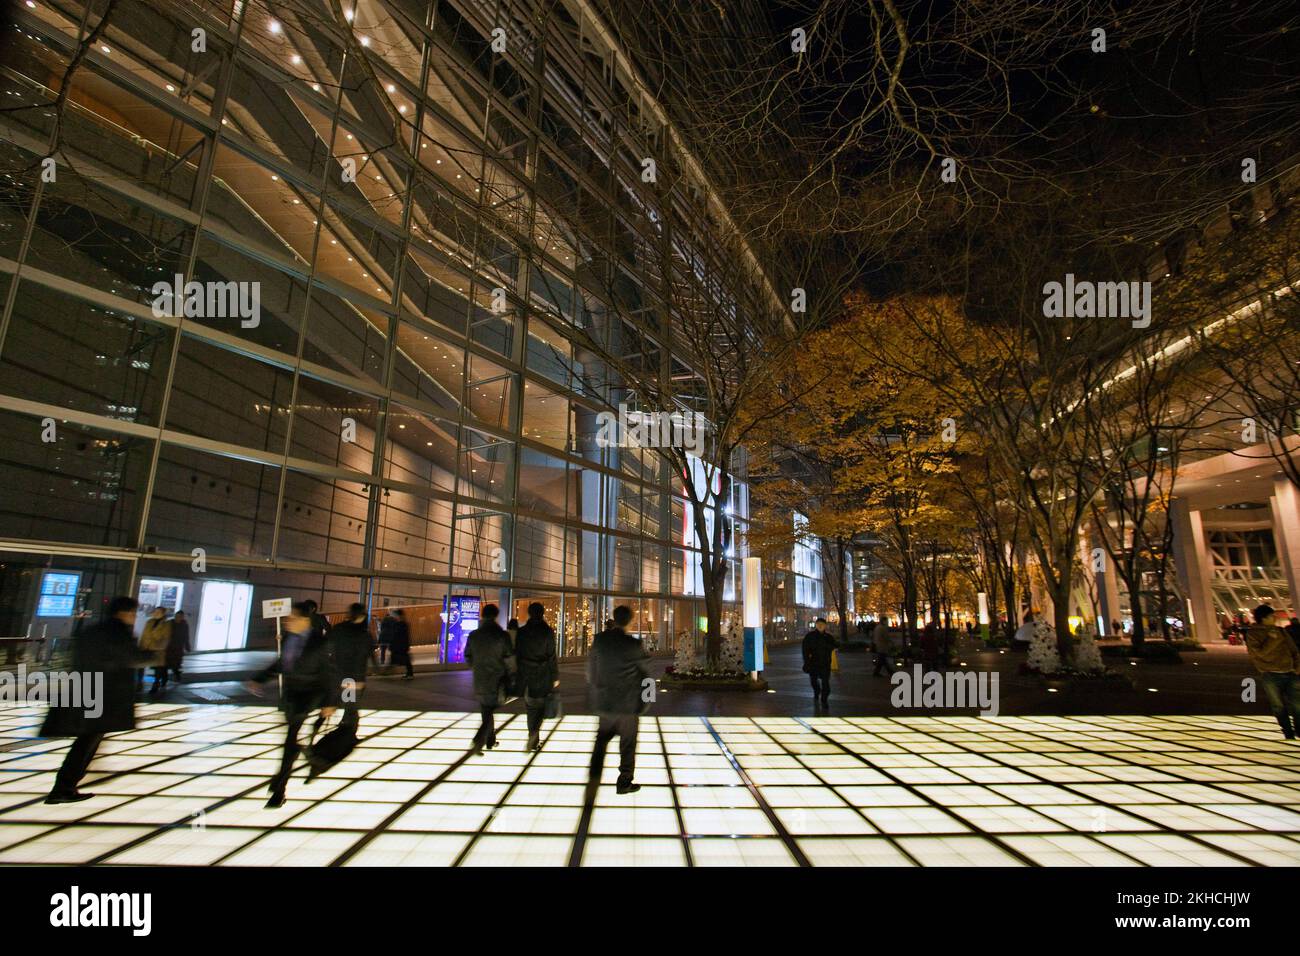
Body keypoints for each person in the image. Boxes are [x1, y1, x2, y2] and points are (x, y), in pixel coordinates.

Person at [42, 596, 153, 804]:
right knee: (86, 742)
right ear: (124, 613)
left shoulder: (92, 630)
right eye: (133, 613)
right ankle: (63, 788)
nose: (134, 617)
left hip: (84, 688)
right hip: (102, 695)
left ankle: (65, 786)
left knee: (86, 740)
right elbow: (129, 657)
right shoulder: (117, 632)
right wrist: (151, 656)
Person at [246, 602, 338, 807]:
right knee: (291, 739)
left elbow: (329, 673)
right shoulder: (289, 638)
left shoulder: (319, 643)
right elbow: (281, 663)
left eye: (293, 617)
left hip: (308, 694)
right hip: (290, 694)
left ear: (305, 620)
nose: (288, 621)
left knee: (290, 739)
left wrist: (330, 702)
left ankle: (280, 789)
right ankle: (311, 761)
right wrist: (259, 679)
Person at [587, 605, 648, 794]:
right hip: (628, 705)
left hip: (605, 701)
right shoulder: (634, 644)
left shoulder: (599, 640)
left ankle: (594, 777)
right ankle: (624, 781)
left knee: (601, 741)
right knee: (628, 745)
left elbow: (591, 672)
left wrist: (597, 688)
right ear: (631, 621)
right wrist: (647, 701)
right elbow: (647, 675)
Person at [1244, 604, 1300, 740]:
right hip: (1270, 675)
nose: (1274, 618)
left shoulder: (1281, 631)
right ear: (1263, 618)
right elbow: (1259, 654)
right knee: (1279, 707)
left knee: (1297, 706)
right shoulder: (1253, 634)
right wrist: (1271, 640)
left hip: (1290, 672)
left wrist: (1297, 668)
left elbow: (1294, 650)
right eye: (1271, 616)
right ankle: (1288, 732)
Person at [465, 603, 513, 755]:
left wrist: (476, 666)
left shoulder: (474, 635)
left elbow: (468, 656)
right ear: (495, 616)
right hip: (497, 678)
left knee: (486, 709)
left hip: (480, 677)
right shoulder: (501, 635)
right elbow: (509, 656)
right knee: (490, 709)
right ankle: (478, 741)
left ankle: (490, 740)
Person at [516, 602, 559, 751]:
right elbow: (552, 656)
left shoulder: (522, 632)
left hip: (526, 675)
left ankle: (532, 736)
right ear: (542, 614)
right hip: (543, 674)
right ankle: (535, 734)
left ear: (529, 613)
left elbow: (518, 654)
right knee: (540, 707)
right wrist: (555, 676)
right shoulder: (547, 632)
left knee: (530, 708)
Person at [325, 602, 371, 736]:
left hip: (339, 676)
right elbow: (365, 655)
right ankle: (347, 737)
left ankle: (346, 733)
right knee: (350, 708)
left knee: (346, 707)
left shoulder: (338, 629)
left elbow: (327, 647)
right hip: (353, 679)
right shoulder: (363, 634)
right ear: (361, 616)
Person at [802, 617, 837, 706]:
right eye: (818, 624)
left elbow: (835, 645)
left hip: (825, 664)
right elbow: (805, 650)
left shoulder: (829, 637)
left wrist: (828, 646)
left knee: (826, 683)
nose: (820, 626)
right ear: (816, 625)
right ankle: (817, 691)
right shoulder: (810, 636)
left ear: (825, 626)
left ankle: (824, 699)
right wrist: (806, 662)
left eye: (822, 624)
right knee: (814, 681)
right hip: (813, 663)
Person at [139, 606, 173, 696]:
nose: (156, 613)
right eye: (155, 611)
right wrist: (141, 646)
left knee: (158, 669)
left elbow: (166, 638)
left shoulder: (166, 624)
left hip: (158, 649)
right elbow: (144, 635)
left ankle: (156, 685)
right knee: (141, 666)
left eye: (158, 612)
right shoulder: (149, 622)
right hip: (146, 647)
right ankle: (139, 683)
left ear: (163, 613)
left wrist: (159, 646)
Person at [386, 608, 413, 679]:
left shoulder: (401, 624)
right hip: (400, 646)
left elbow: (397, 636)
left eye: (396, 615)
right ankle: (409, 674)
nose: (395, 616)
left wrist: (392, 644)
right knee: (403, 660)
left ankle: (387, 672)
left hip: (400, 646)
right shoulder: (401, 623)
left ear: (399, 615)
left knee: (404, 660)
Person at [166, 610, 190, 684]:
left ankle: (177, 675)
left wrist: (187, 646)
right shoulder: (170, 623)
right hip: (169, 646)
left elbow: (186, 636)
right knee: (167, 662)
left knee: (176, 663)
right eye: (177, 616)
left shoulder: (184, 625)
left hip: (178, 647)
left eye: (180, 616)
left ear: (182, 617)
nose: (178, 618)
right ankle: (164, 678)